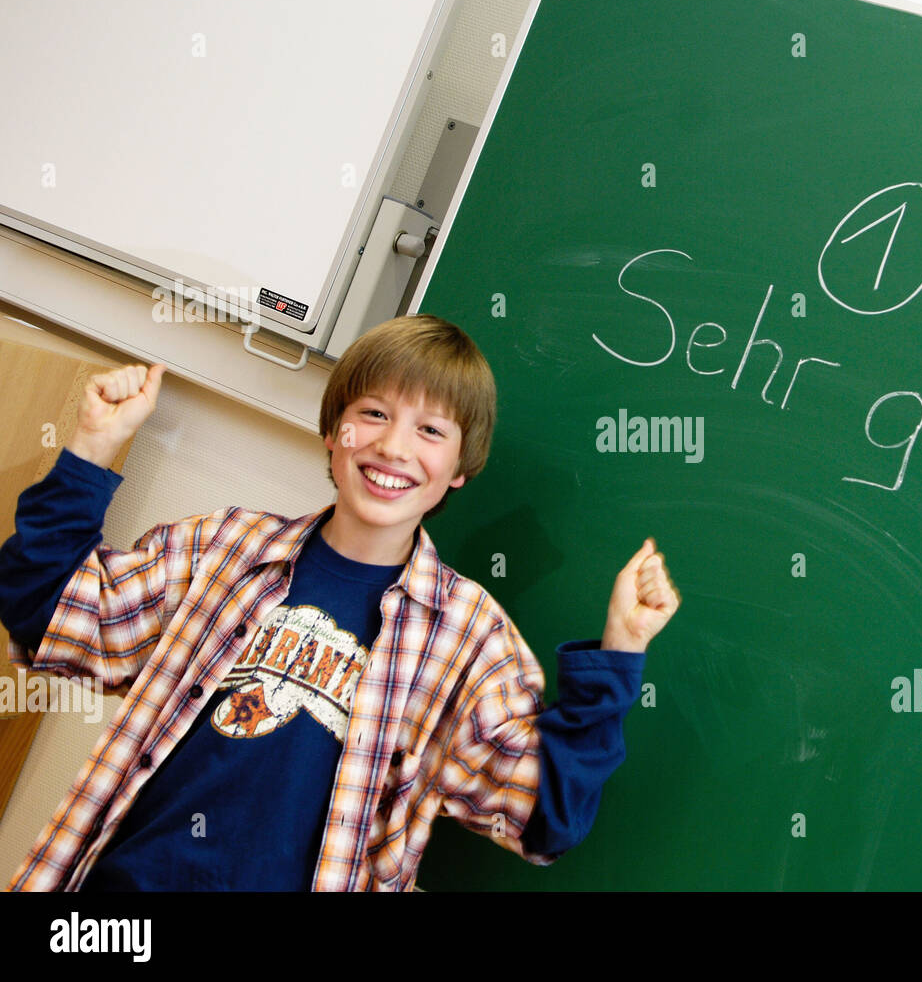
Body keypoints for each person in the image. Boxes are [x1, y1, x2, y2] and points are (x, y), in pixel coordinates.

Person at [0, 314, 679, 891]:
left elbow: (544, 818)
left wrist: (619, 653)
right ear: (334, 431)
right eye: (373, 414)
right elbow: (45, 612)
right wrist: (94, 447)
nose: (392, 446)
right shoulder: (223, 547)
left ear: (461, 468)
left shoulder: (469, 637)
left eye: (430, 431)